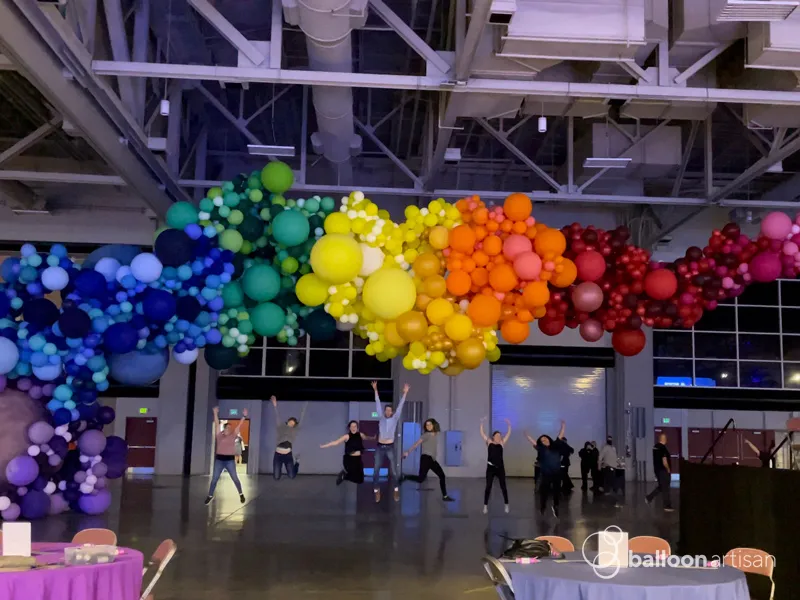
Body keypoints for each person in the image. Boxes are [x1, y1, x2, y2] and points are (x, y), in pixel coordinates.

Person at [371, 381, 409, 502]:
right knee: (376, 470)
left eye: (389, 410)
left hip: (390, 446)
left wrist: (405, 394)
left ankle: (396, 491)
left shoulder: (395, 418)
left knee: (394, 470)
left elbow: (400, 406)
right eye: (386, 410)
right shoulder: (381, 418)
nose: (388, 412)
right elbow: (377, 404)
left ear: (391, 412)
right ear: (384, 411)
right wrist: (375, 390)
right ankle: (376, 492)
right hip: (380, 446)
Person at [400, 418, 454, 502]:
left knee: (442, 476)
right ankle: (405, 477)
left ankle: (445, 496)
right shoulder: (425, 435)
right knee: (421, 479)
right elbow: (416, 444)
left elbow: (437, 428)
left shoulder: (435, 433)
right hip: (426, 458)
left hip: (432, 459)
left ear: (433, 425)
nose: (428, 426)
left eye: (430, 424)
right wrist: (407, 452)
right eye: (426, 425)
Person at [205, 406, 248, 505]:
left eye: (230, 428)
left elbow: (239, 426)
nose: (230, 429)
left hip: (229, 460)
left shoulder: (233, 435)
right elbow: (216, 423)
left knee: (235, 478)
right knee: (214, 479)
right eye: (228, 427)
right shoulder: (219, 435)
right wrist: (215, 413)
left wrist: (244, 416)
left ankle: (241, 494)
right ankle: (210, 496)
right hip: (219, 460)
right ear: (224, 429)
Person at [525, 421, 566, 518]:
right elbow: (534, 442)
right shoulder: (541, 449)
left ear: (549, 439)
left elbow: (560, 435)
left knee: (556, 491)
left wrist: (563, 426)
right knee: (544, 491)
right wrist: (527, 435)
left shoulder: (555, 446)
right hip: (546, 473)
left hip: (556, 472)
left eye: (545, 439)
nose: (544, 440)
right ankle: (543, 507)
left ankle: (556, 507)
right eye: (542, 440)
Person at [320, 420, 374, 485]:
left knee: (360, 480)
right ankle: (343, 475)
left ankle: (344, 476)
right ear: (349, 428)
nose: (353, 428)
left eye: (355, 426)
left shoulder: (361, 435)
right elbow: (336, 442)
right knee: (352, 474)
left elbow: (366, 438)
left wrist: (373, 438)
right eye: (352, 427)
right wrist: (324, 446)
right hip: (349, 460)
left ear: (357, 427)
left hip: (358, 459)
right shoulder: (347, 436)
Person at [271, 395, 307, 480]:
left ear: (294, 426)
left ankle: (297, 462)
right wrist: (275, 406)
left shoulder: (294, 431)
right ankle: (278, 473)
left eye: (293, 424)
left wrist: (305, 405)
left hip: (288, 455)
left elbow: (301, 419)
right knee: (276, 477)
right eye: (290, 422)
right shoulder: (281, 426)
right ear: (287, 422)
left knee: (292, 476)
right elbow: (277, 416)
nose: (291, 424)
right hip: (278, 455)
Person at [480, 417, 511, 514]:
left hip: (500, 468)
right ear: (493, 437)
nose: (499, 437)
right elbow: (482, 434)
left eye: (500, 436)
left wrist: (509, 425)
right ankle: (485, 506)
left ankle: (506, 504)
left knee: (503, 487)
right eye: (497, 436)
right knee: (488, 486)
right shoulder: (489, 442)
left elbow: (508, 434)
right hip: (490, 468)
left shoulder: (502, 443)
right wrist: (482, 423)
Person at [645, 433, 673, 511]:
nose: (666, 439)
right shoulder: (663, 448)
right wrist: (668, 469)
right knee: (666, 488)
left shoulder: (655, 447)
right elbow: (664, 460)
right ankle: (667, 506)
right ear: (663, 439)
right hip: (663, 470)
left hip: (657, 470)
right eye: (665, 438)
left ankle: (649, 498)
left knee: (661, 486)